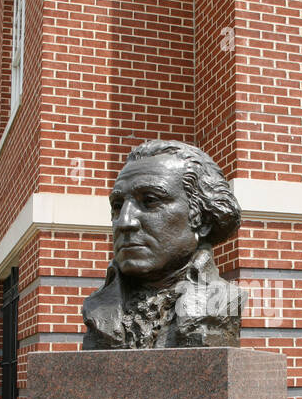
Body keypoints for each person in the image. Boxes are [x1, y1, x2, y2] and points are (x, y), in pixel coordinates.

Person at [82, 140, 245, 350]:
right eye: (118, 206)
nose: (124, 221)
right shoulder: (97, 307)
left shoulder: (222, 301)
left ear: (201, 219)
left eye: (150, 201)